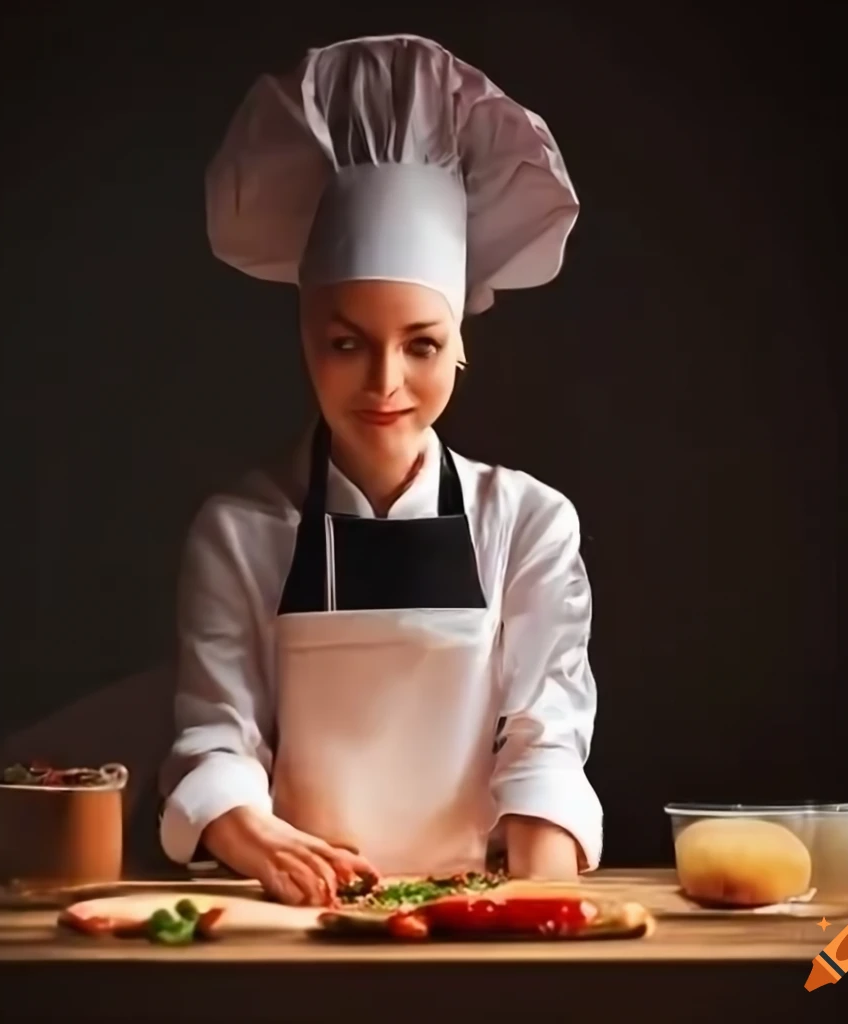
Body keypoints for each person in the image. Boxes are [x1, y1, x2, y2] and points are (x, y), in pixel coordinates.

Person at [158, 34, 603, 907]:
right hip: (295, 917)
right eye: (346, 342)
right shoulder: (240, 531)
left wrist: (530, 914)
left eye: (421, 344)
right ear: (304, 341)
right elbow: (216, 735)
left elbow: (545, 734)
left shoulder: (528, 521)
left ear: (463, 343)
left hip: (475, 905)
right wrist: (245, 829)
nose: (385, 383)